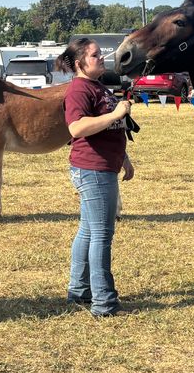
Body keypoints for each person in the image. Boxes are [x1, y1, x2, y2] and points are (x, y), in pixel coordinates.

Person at [56, 38, 135, 317]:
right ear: (79, 64)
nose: (101, 58)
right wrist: (116, 112)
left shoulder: (97, 86)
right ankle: (104, 303)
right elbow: (77, 128)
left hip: (103, 166)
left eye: (100, 53)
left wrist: (123, 157)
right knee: (102, 234)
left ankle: (79, 291)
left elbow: (109, 126)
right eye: (94, 55)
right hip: (93, 170)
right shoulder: (78, 89)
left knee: (89, 231)